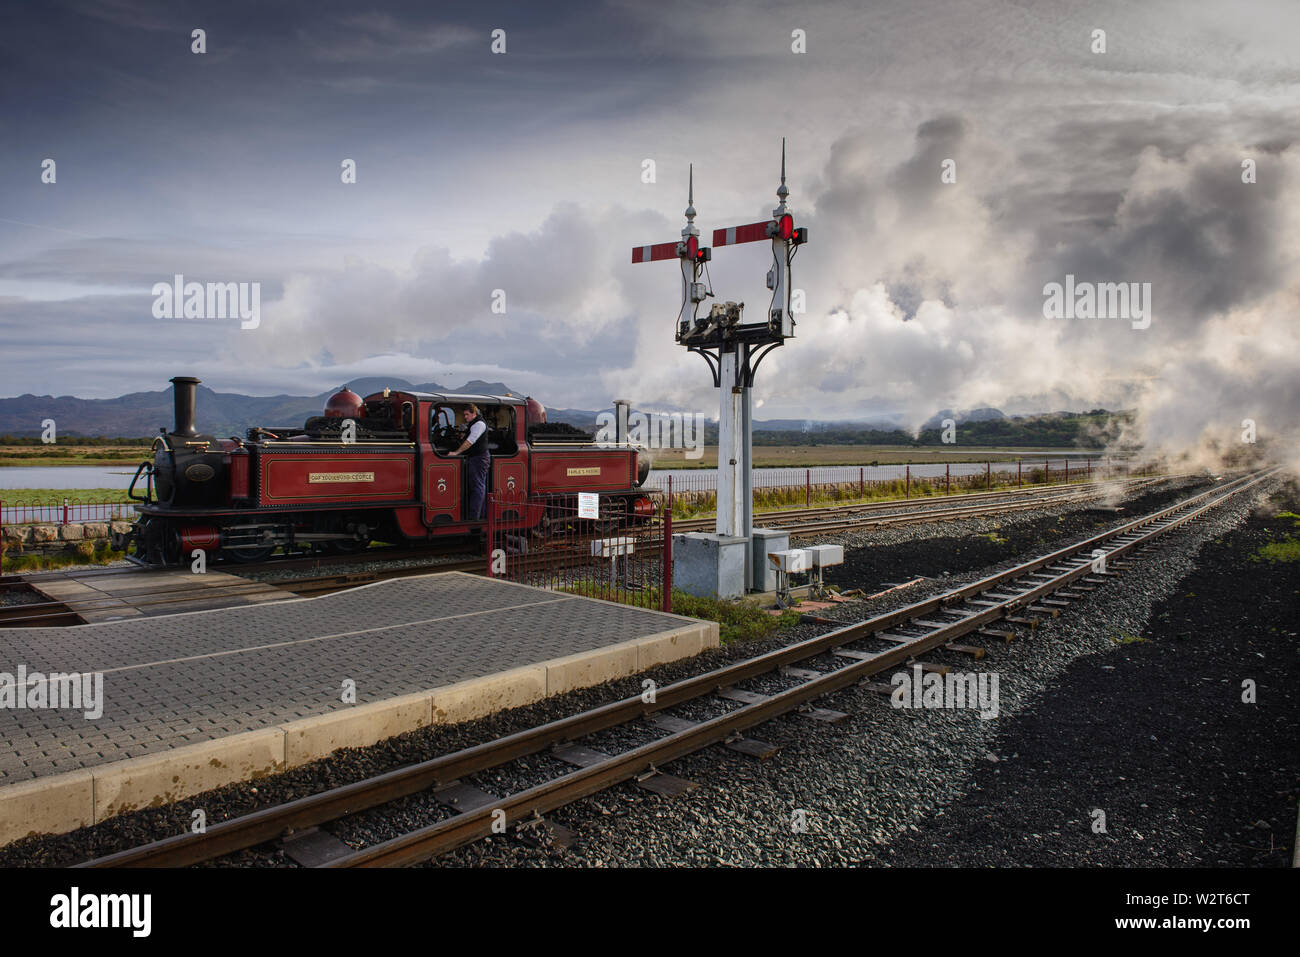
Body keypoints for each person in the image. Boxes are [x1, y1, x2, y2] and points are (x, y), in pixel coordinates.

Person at [449, 404, 491, 521]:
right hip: (476, 457)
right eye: (464, 415)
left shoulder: (479, 424)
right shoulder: (474, 424)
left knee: (477, 487)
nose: (465, 417)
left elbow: (470, 441)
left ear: (474, 413)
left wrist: (456, 453)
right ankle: (479, 515)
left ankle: (474, 517)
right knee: (478, 486)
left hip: (479, 457)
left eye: (467, 414)